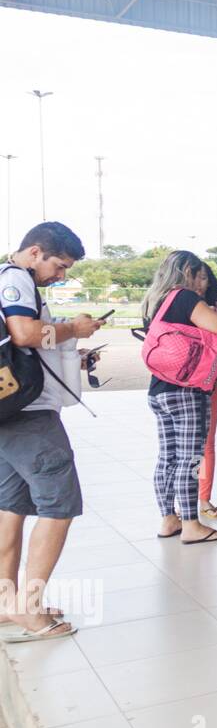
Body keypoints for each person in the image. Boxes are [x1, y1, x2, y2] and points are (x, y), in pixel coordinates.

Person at [0, 223, 102, 642]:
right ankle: (28, 605)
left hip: (7, 411)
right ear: (36, 252)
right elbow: (23, 334)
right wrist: (71, 330)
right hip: (27, 413)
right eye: (59, 266)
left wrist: (65, 345)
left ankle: (7, 602)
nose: (60, 276)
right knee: (59, 503)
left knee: (11, 504)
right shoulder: (16, 279)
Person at [142, 251, 217, 543]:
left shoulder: (155, 301)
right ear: (187, 273)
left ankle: (169, 519)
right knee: (191, 459)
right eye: (200, 275)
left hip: (160, 389)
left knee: (167, 457)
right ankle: (192, 525)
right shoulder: (184, 297)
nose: (203, 283)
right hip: (187, 391)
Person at [197, 264, 217, 520]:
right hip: (181, 384)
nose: (199, 282)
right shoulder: (172, 305)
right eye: (194, 276)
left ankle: (204, 499)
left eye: (204, 276)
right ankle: (180, 502)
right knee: (179, 447)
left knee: (207, 443)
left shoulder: (215, 308)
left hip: (209, 382)